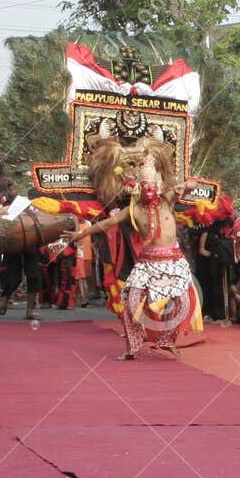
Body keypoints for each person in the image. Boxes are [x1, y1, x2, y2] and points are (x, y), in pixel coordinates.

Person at [69, 140, 202, 359]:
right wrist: (80, 234)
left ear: (158, 186)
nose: (149, 189)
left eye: (152, 185)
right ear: (139, 186)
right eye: (145, 185)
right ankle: (133, 347)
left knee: (182, 302)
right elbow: (106, 223)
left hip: (173, 260)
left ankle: (167, 340)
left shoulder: (168, 199)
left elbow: (193, 184)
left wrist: (186, 185)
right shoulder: (133, 209)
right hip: (147, 262)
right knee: (130, 301)